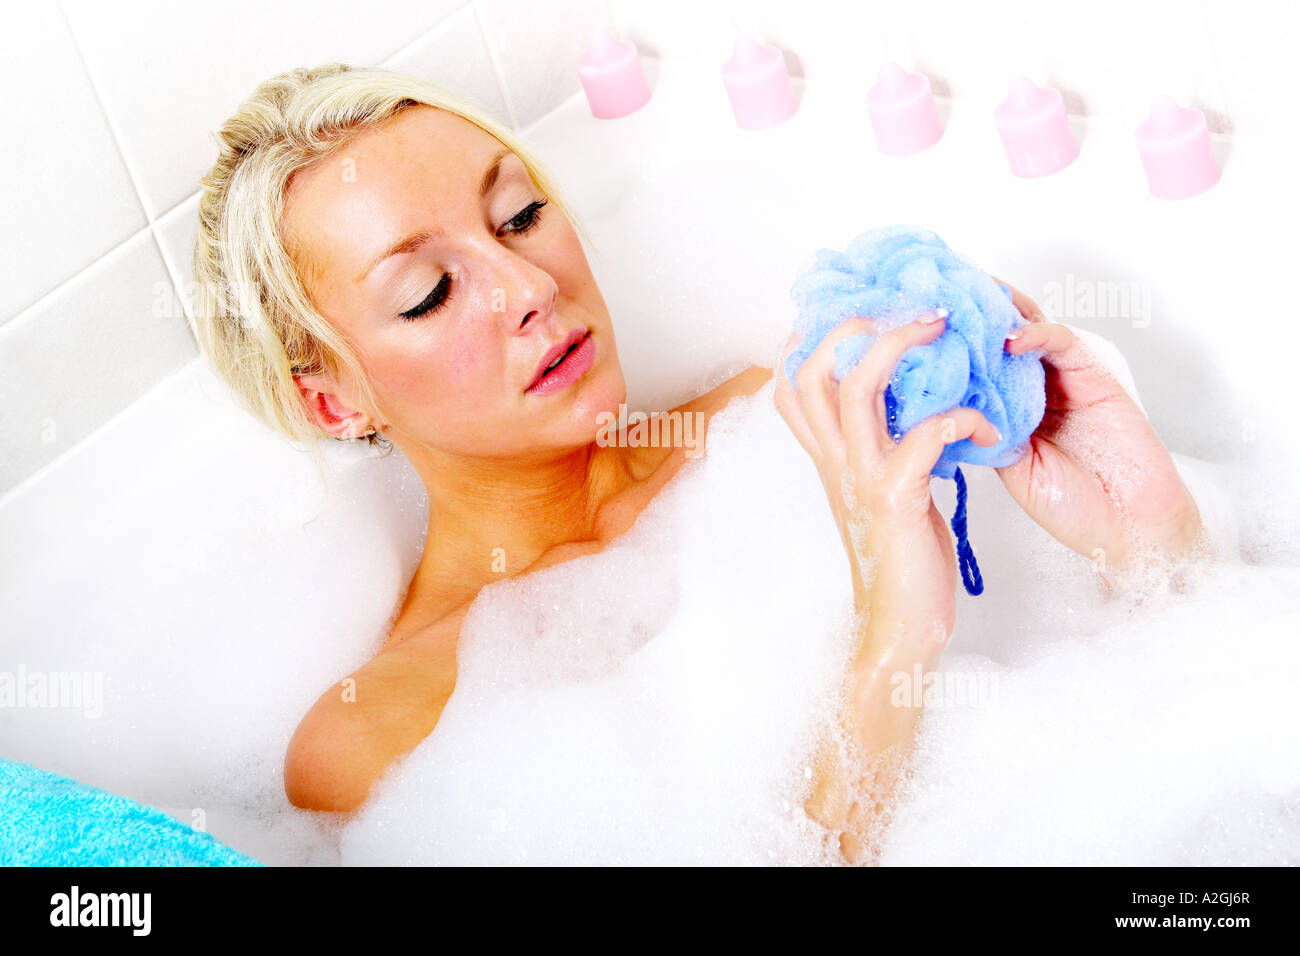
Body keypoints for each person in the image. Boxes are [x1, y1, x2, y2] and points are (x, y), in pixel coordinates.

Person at [192, 63, 1204, 863]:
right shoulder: (383, 731)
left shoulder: (780, 417)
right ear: (335, 399)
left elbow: (1185, 700)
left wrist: (1145, 528)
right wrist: (893, 635)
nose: (525, 286)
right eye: (425, 293)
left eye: (519, 216)